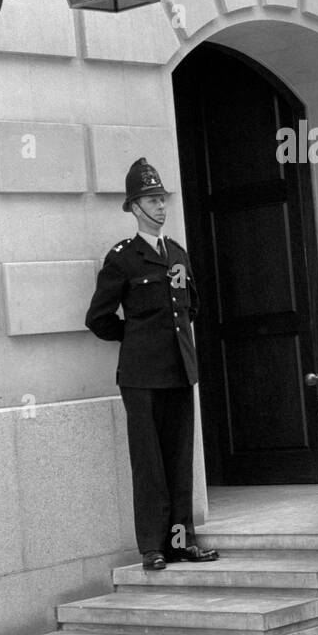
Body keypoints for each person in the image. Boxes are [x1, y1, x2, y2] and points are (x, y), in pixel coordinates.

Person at [85, 157, 219, 571]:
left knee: (180, 460)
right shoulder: (123, 258)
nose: (160, 207)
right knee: (149, 462)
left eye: (162, 199)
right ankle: (153, 547)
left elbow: (190, 306)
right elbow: (99, 319)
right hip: (141, 376)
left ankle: (181, 541)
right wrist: (138, 337)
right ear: (134, 208)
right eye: (151, 200)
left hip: (179, 370)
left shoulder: (177, 254)